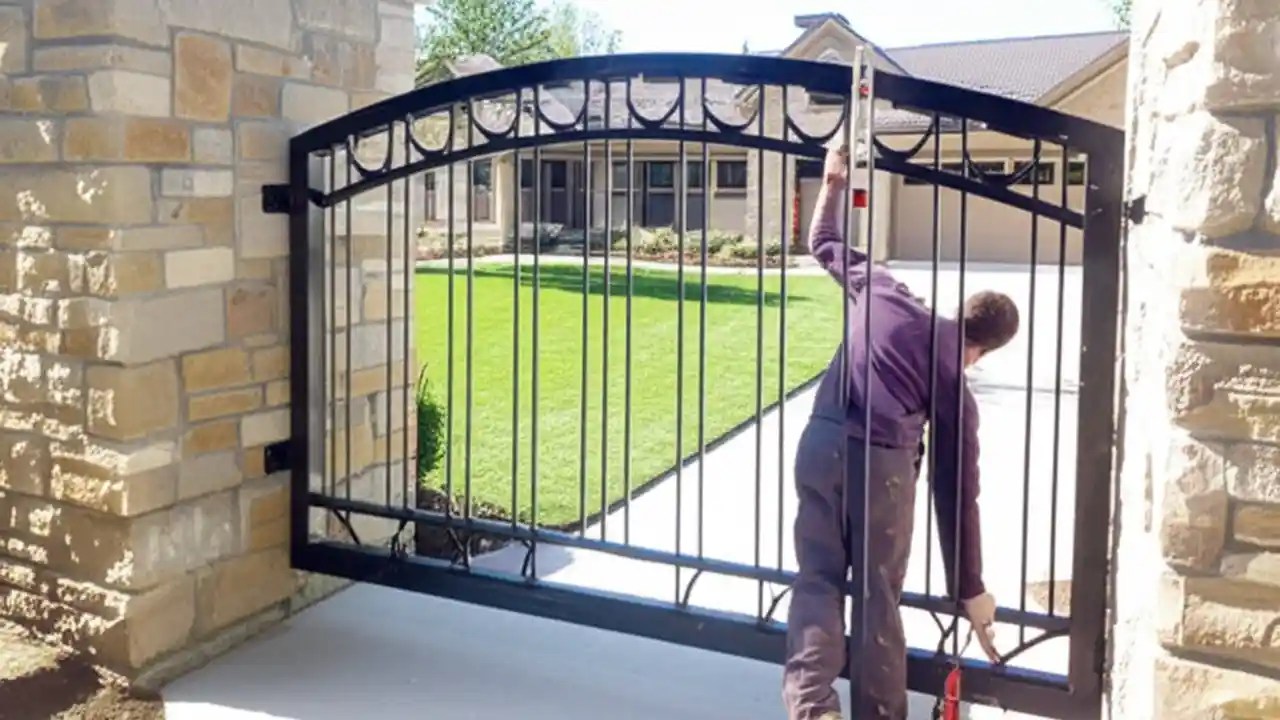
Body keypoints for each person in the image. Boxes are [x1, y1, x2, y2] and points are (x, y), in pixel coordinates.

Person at [782, 144, 1019, 720]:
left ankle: (813, 708)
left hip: (820, 446)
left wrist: (833, 183)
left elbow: (823, 241)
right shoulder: (953, 380)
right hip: (882, 472)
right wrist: (970, 587)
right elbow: (956, 492)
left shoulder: (883, 290)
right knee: (878, 597)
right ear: (984, 349)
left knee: (817, 579)